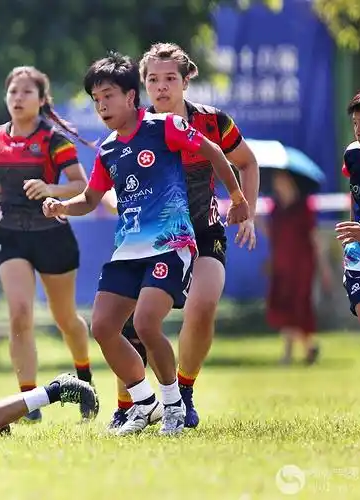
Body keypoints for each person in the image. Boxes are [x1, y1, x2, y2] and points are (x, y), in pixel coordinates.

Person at [43, 52, 249, 436]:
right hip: (129, 249)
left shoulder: (165, 126)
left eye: (108, 96)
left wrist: (237, 198)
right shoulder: (107, 150)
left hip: (172, 243)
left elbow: (214, 151)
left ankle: (174, 404)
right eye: (96, 100)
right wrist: (61, 206)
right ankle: (144, 403)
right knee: (103, 326)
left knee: (145, 322)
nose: (102, 105)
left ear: (130, 97)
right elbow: (90, 199)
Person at [108, 42, 261, 430]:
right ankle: (128, 405)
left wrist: (247, 212)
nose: (161, 87)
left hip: (205, 232)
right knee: (131, 325)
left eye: (170, 79)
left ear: (186, 80)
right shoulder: (132, 128)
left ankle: (185, 394)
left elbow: (245, 162)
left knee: (203, 305)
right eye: (153, 80)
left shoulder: (212, 122)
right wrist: (117, 201)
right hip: (150, 240)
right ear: (142, 85)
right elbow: (110, 180)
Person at [0, 66, 95, 423]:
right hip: (11, 236)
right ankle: (29, 401)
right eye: (12, 92)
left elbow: (79, 184)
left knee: (65, 318)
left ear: (41, 100)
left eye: (26, 92)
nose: (18, 98)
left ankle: (84, 376)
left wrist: (51, 188)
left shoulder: (55, 140)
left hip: (53, 235)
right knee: (19, 312)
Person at [265, 171, 332, 365]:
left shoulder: (304, 208)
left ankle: (289, 353)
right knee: (284, 307)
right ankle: (310, 347)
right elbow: (276, 238)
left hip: (302, 266)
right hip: (282, 266)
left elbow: (314, 238)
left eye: (282, 181)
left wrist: (324, 267)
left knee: (299, 308)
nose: (279, 186)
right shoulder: (275, 209)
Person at [336, 90, 360, 327]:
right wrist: (351, 237)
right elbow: (354, 193)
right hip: (359, 249)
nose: (359, 130)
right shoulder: (353, 154)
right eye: (355, 124)